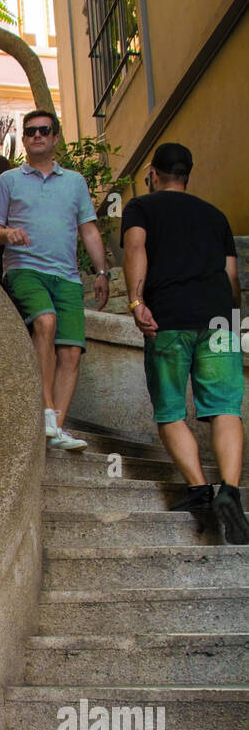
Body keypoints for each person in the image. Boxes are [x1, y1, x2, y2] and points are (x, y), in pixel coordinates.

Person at [121, 142, 248, 543]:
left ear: (154, 175)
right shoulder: (216, 216)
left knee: (171, 408)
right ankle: (230, 491)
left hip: (170, 316)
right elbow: (232, 277)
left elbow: (136, 249)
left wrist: (137, 300)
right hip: (220, 317)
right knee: (226, 407)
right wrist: (232, 317)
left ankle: (198, 490)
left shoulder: (142, 207)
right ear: (187, 177)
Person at [0, 109, 110, 451]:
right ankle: (45, 412)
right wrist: (8, 233)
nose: (37, 135)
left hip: (67, 277)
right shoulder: (9, 180)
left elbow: (88, 229)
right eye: (30, 132)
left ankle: (57, 427)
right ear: (24, 140)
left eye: (44, 130)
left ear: (55, 138)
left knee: (71, 352)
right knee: (45, 321)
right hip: (25, 269)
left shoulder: (74, 182)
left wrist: (101, 273)